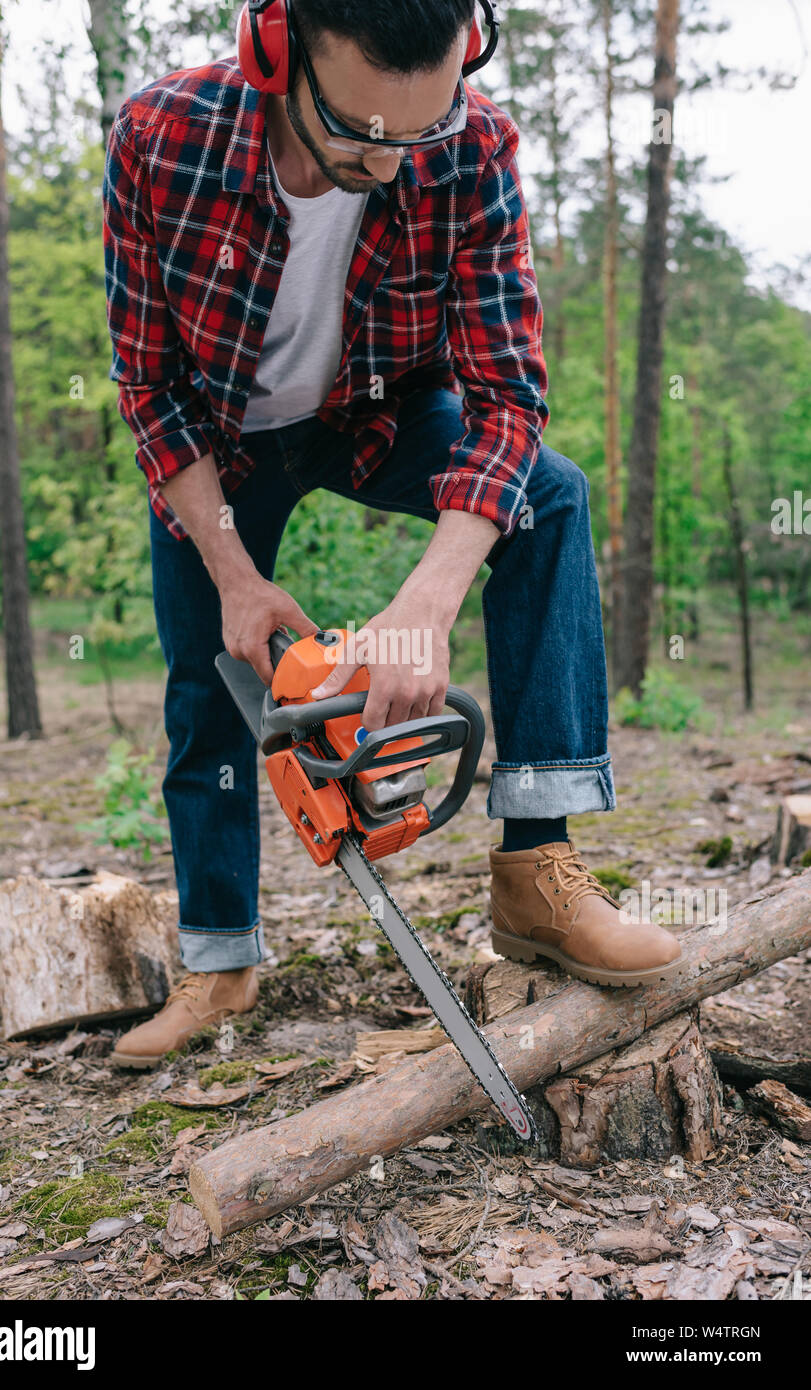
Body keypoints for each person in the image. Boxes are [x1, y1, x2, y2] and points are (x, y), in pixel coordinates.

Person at [102, 0, 682, 1069]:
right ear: (278, 55)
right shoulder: (158, 138)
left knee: (549, 497)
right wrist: (232, 571)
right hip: (219, 445)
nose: (395, 158)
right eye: (364, 131)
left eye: (424, 127)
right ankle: (220, 958)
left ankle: (535, 866)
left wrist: (429, 598)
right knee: (206, 687)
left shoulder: (476, 147)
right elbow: (147, 383)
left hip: (382, 410)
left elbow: (507, 397)